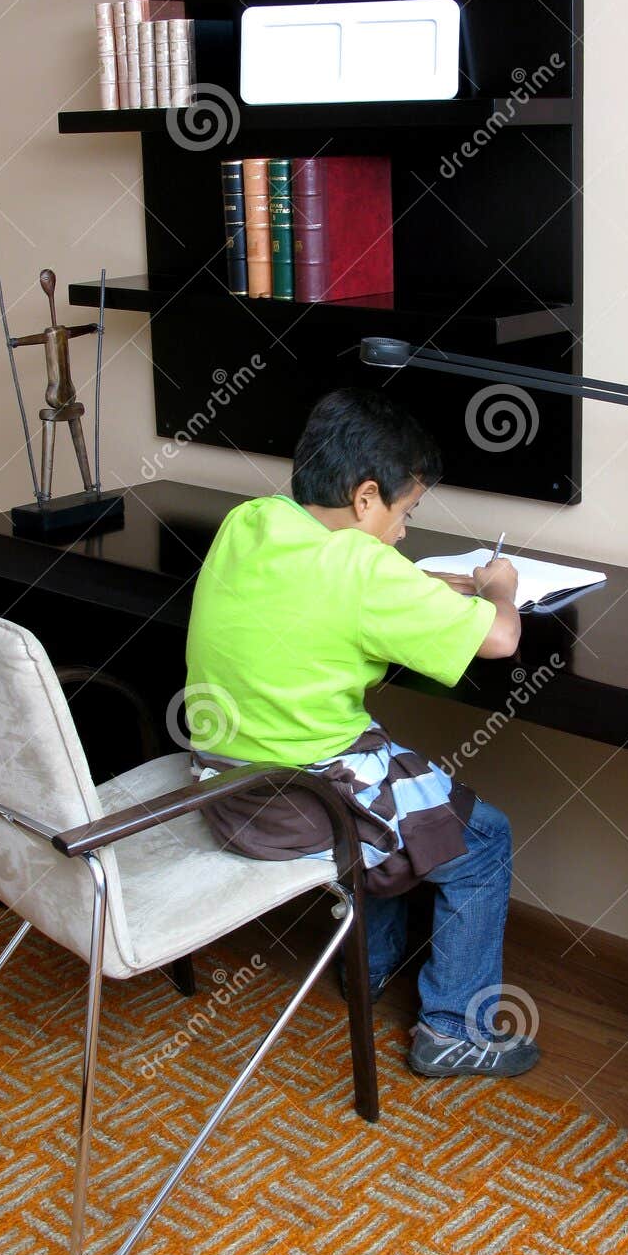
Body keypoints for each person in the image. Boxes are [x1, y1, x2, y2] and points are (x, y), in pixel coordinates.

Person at [183, 387, 536, 1079]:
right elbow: (499, 640)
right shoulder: (364, 571)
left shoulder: (249, 522)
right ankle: (453, 1029)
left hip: (223, 785)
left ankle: (367, 968)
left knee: (391, 764)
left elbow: (341, 580)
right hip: (301, 806)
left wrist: (425, 584)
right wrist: (500, 586)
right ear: (367, 497)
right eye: (406, 514)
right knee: (482, 836)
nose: (404, 533)